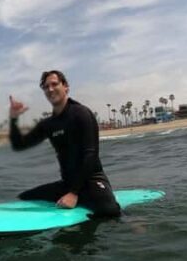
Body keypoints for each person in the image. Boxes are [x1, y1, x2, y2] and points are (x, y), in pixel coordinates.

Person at [8, 69, 121, 217]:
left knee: (110, 212)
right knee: (24, 197)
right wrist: (13, 119)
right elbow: (19, 144)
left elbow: (91, 155)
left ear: (66, 86)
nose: (50, 89)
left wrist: (73, 194)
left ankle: (134, 223)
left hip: (91, 181)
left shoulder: (81, 113)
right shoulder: (48, 124)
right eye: (46, 87)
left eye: (54, 84)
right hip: (67, 184)